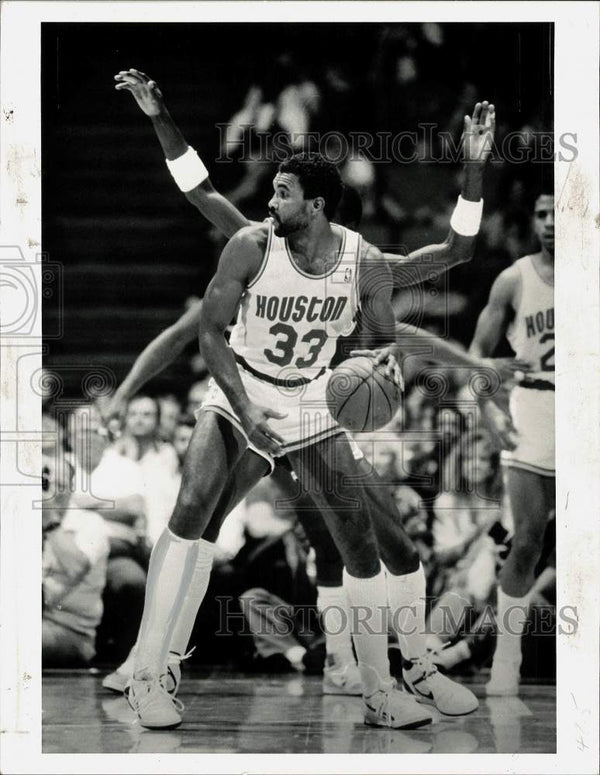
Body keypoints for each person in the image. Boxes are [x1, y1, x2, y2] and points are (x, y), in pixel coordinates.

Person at [117, 134, 509, 730]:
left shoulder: (362, 263)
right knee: (194, 509)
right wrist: (162, 120)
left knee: (361, 540)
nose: (270, 201)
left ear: (318, 205)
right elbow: (207, 330)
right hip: (240, 389)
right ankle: (150, 672)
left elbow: (457, 249)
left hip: (312, 400)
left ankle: (382, 688)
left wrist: (474, 168)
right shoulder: (251, 245)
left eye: (282, 192)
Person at [469, 191, 555, 695]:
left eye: (557, 215)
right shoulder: (514, 278)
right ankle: (506, 661)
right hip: (534, 410)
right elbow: (477, 356)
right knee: (526, 541)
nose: (549, 223)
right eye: (541, 215)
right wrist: (485, 410)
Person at [42, 454, 110, 667]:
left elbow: (76, 567)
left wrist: (50, 521)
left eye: (59, 484)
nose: (51, 492)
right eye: (45, 483)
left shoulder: (91, 523)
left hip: (71, 632)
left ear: (71, 487)